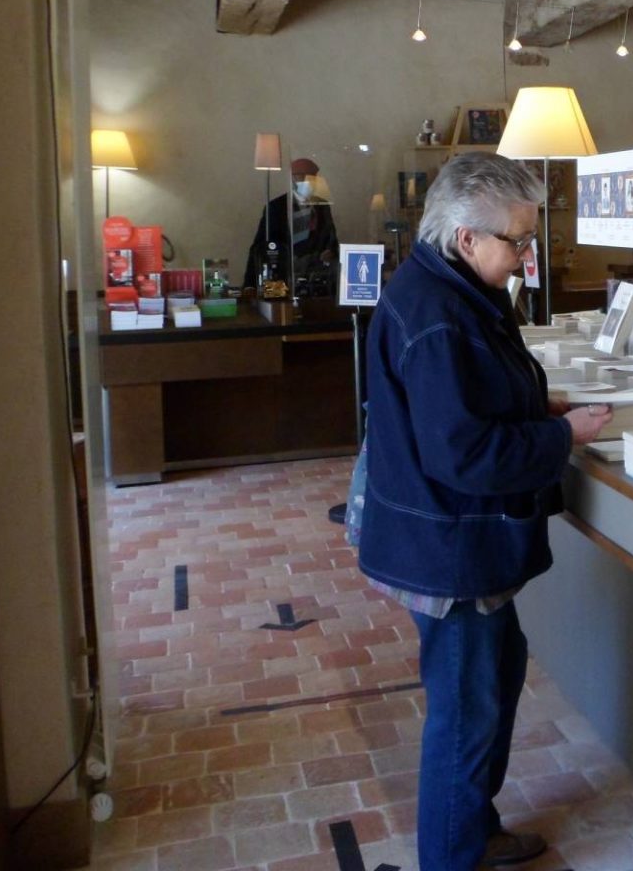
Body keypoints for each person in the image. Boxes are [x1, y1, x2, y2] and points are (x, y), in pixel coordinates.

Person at [357, 152, 614, 871]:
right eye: (518, 242)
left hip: (451, 541)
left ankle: (475, 829)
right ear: (467, 237)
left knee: (497, 675)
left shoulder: (453, 289)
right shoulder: (439, 314)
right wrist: (562, 435)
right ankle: (453, 855)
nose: (527, 258)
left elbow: (470, 403)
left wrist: (541, 405)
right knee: (467, 714)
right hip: (449, 551)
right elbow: (462, 454)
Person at [243, 156, 340, 289]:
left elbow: (331, 238)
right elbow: (261, 246)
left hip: (316, 281)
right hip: (284, 280)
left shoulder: (322, 206)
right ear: (293, 178)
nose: (309, 181)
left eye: (313, 177)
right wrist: (250, 285)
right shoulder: (278, 206)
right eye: (303, 177)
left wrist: (331, 252)